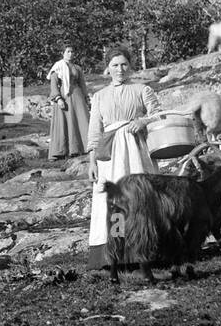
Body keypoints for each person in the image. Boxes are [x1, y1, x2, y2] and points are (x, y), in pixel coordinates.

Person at [87, 45, 161, 270]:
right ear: (107, 69)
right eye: (115, 65)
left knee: (139, 196)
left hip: (136, 149)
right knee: (113, 200)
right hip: (109, 154)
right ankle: (114, 252)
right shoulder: (99, 96)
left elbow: (158, 113)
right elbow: (94, 131)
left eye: (124, 65)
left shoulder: (142, 89)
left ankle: (144, 248)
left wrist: (143, 121)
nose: (120, 69)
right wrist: (91, 161)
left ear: (130, 66)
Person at [46, 45, 90, 160]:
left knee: (82, 120)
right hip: (64, 96)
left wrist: (86, 97)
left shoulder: (77, 68)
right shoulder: (58, 66)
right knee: (63, 122)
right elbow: (54, 83)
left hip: (77, 96)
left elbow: (82, 84)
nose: (70, 54)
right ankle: (62, 150)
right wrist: (58, 98)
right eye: (68, 51)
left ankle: (82, 148)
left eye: (72, 51)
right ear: (63, 53)